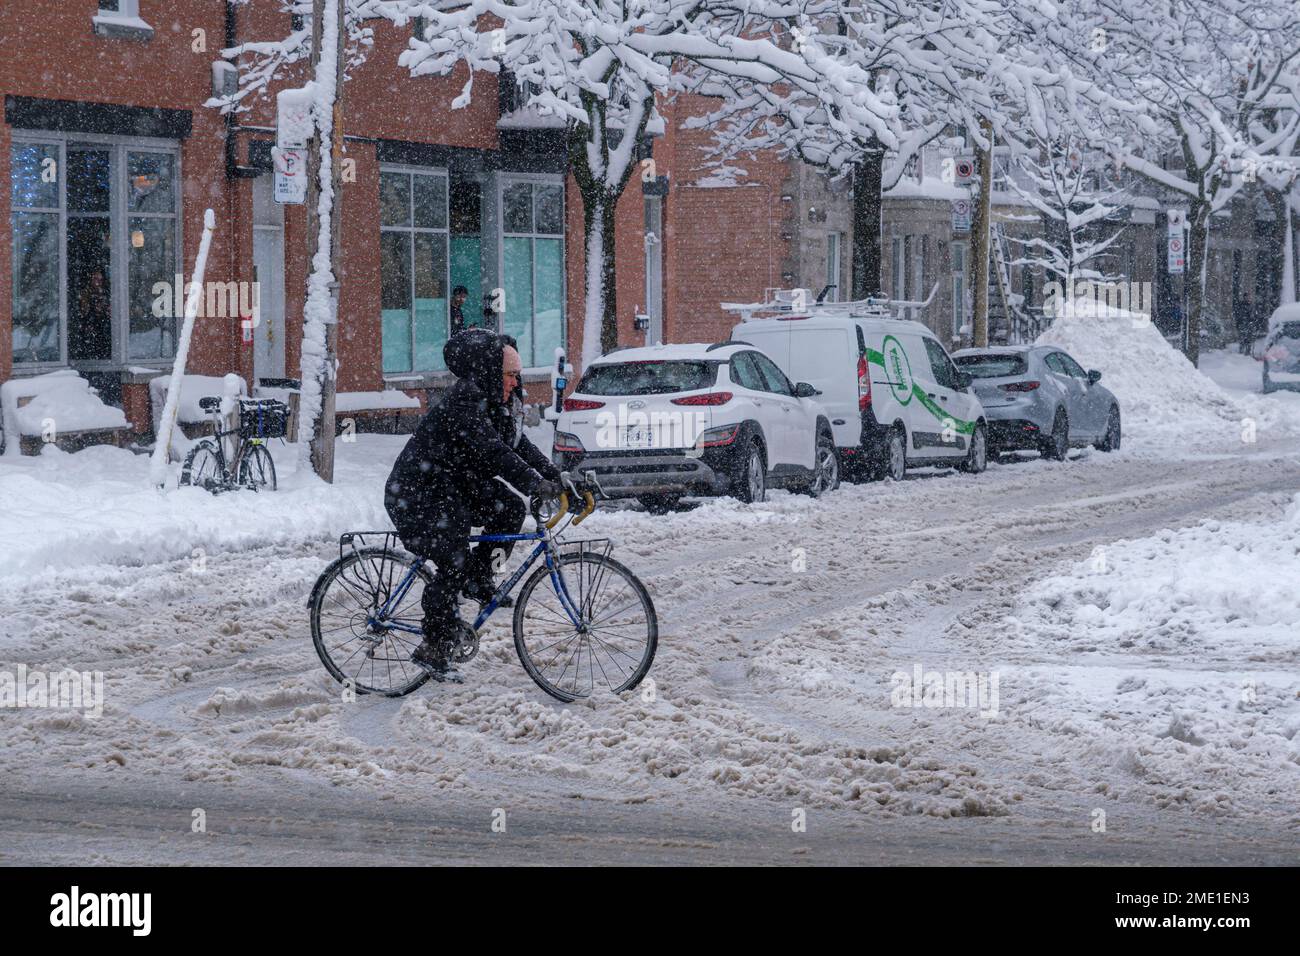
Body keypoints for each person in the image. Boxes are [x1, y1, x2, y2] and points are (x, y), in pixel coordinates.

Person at [385, 328, 562, 674]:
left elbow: (517, 445)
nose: (516, 382)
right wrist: (534, 484)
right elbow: (493, 453)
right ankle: (435, 643)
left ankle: (480, 578)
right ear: (489, 371)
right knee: (453, 557)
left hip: (452, 486)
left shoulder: (493, 402)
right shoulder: (465, 402)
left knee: (509, 509)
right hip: (417, 493)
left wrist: (553, 477)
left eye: (517, 375)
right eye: (510, 374)